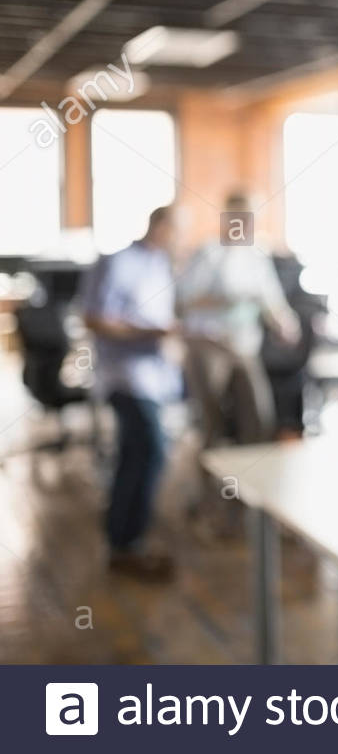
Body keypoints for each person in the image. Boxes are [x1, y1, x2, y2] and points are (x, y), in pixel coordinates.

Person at [81, 204, 183, 582]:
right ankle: (127, 539)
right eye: (178, 230)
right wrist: (146, 333)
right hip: (122, 376)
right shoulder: (115, 262)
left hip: (154, 375)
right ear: (161, 226)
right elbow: (93, 319)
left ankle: (121, 539)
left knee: (134, 454)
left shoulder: (161, 265)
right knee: (153, 450)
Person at [176, 191, 300, 446]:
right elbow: (184, 301)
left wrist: (284, 323)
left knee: (258, 417)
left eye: (250, 217)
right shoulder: (208, 252)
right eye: (239, 216)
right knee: (213, 422)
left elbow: (272, 301)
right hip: (209, 344)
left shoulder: (256, 255)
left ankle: (243, 479)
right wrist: (228, 299)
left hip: (244, 346)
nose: (244, 223)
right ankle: (209, 482)